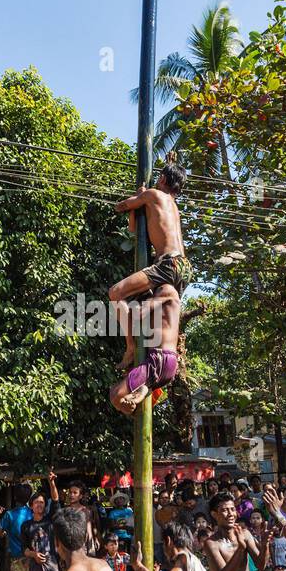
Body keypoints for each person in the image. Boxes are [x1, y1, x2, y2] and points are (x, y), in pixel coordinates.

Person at [110, 160, 192, 370]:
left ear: (163, 179)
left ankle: (131, 347)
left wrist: (139, 195)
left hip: (167, 264)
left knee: (116, 293)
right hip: (184, 268)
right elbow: (135, 228)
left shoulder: (154, 194)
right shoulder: (174, 207)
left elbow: (120, 206)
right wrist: (139, 201)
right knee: (159, 311)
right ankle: (156, 362)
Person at [109, 284, 181, 414]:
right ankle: (143, 388)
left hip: (160, 359)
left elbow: (139, 313)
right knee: (121, 397)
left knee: (115, 396)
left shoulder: (167, 289)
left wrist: (125, 306)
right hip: (162, 360)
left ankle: (143, 389)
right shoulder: (166, 300)